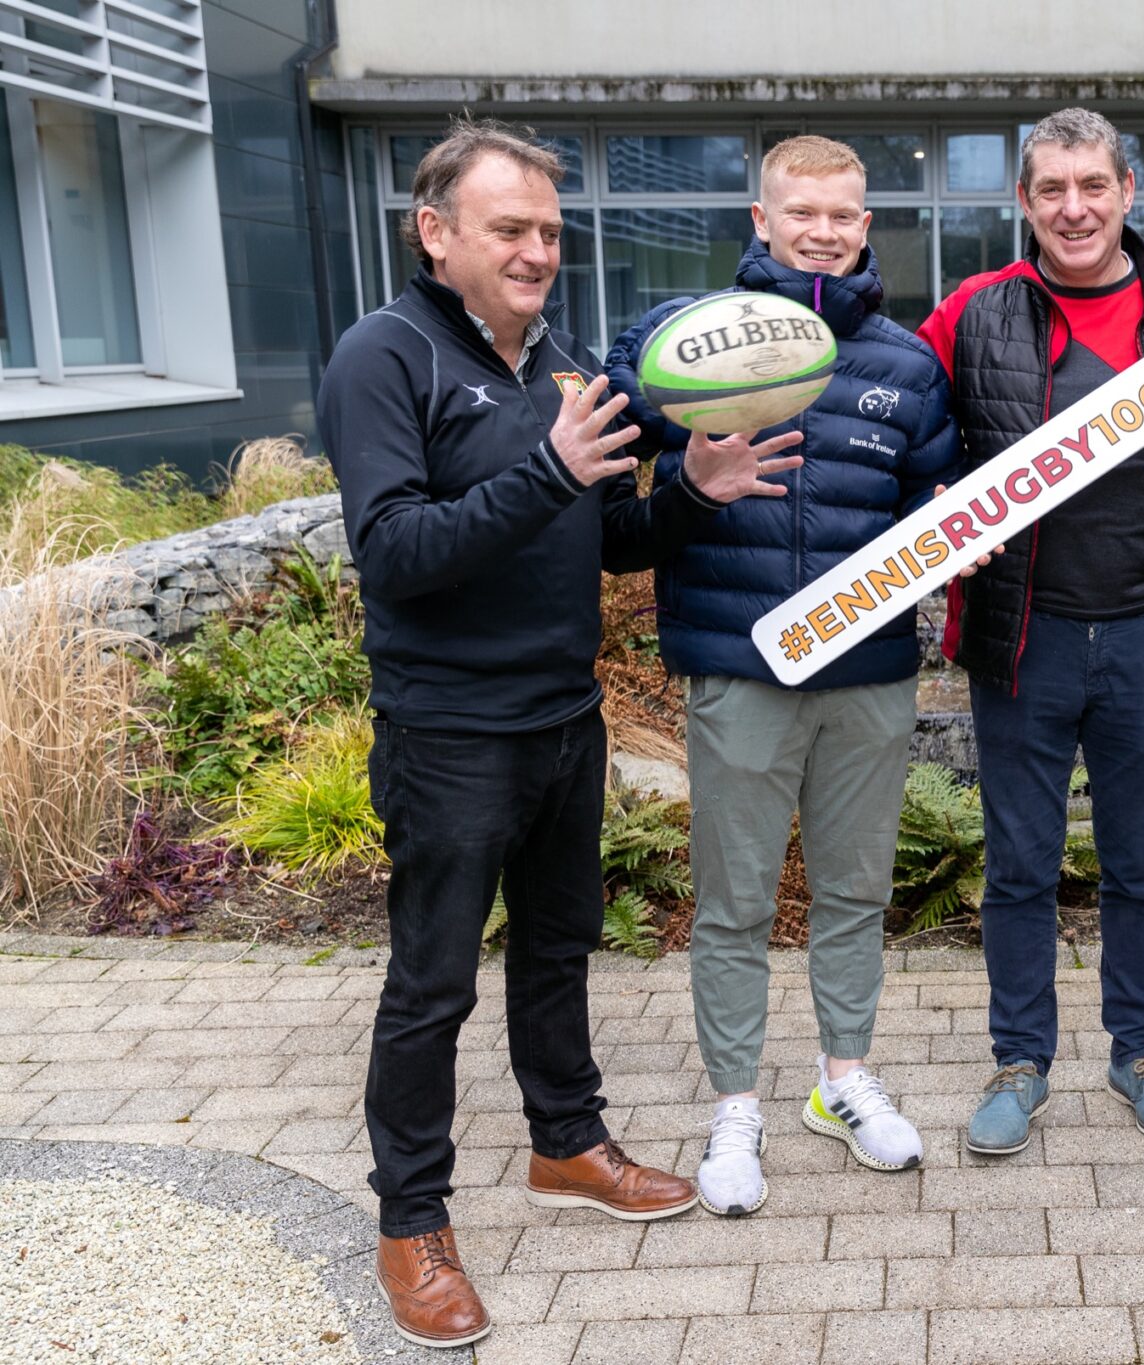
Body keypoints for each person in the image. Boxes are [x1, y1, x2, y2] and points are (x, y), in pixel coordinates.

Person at [320, 117, 801, 1349]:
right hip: (449, 734)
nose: (537, 250)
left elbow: (601, 540)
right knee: (431, 986)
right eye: (510, 229)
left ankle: (567, 1145)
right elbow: (395, 551)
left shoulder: (561, 363)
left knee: (556, 951)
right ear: (436, 233)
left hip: (562, 721)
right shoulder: (384, 357)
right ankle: (410, 1222)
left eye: (548, 229)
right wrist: (548, 468)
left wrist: (689, 496)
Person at [605, 136, 962, 1215]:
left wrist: (955, 537)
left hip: (868, 670)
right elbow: (610, 495)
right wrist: (689, 478)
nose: (822, 230)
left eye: (842, 213)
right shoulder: (682, 341)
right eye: (800, 211)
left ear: (866, 225)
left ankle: (842, 1080)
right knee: (735, 902)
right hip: (739, 665)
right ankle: (733, 1107)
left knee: (854, 890)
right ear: (759, 220)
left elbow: (931, 498)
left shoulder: (905, 364)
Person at [917, 107, 1144, 1157]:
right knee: (1018, 864)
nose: (1074, 208)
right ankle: (1020, 1061)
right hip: (1024, 637)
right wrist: (931, 506)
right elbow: (914, 445)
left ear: (1126, 191)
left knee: (1141, 861)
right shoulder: (972, 314)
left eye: (1092, 185)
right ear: (1024, 201)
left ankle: (1139, 1051)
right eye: (1052, 189)